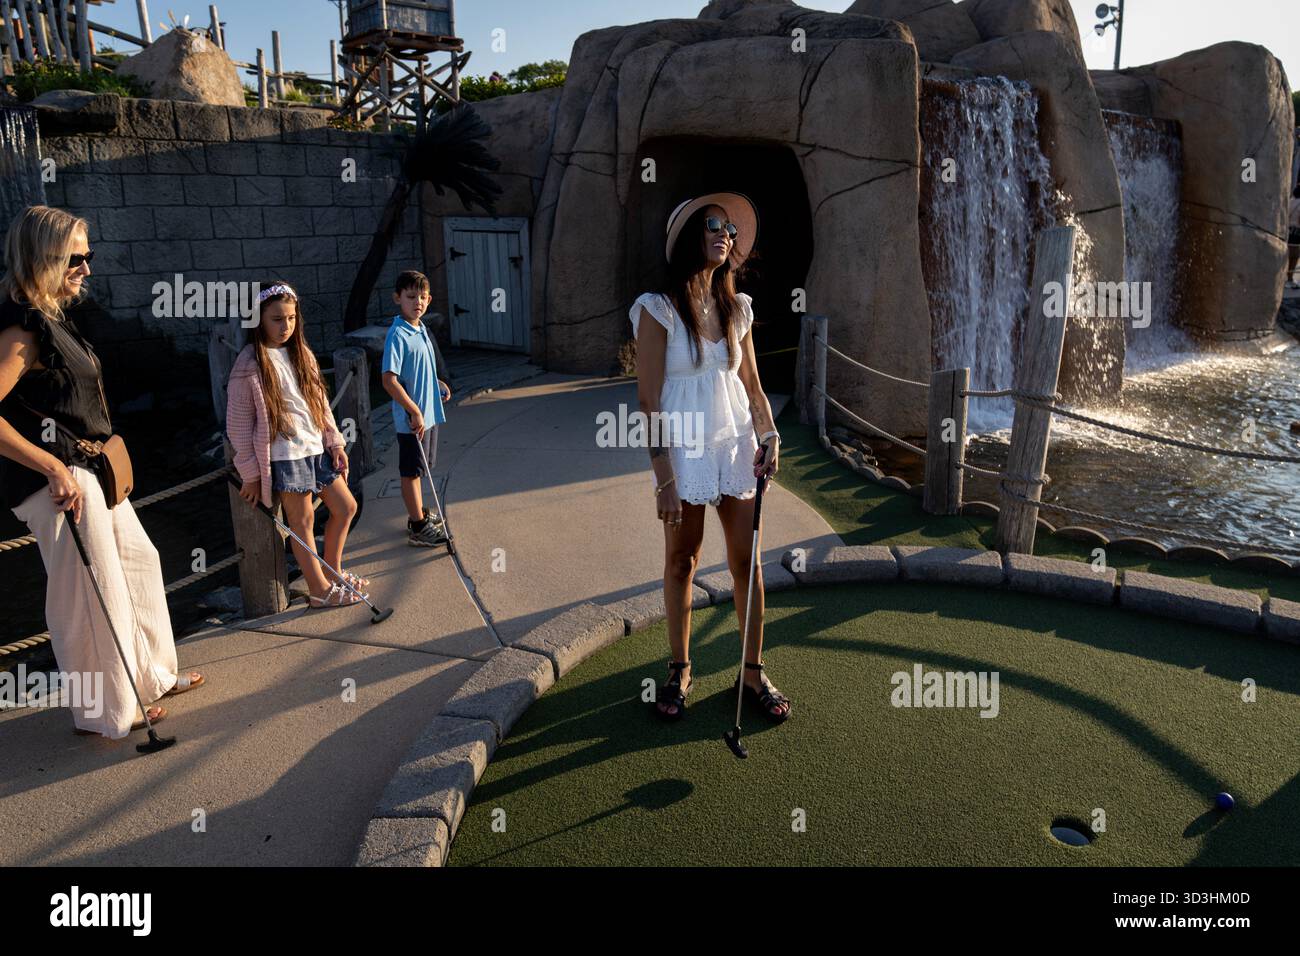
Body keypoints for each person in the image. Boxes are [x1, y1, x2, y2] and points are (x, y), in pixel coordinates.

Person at [0, 205, 202, 738]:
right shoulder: (22, 326)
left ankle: (150, 678)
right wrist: (50, 466)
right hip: (58, 481)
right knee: (92, 593)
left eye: (88, 256)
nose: (86, 268)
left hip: (90, 469)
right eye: (75, 258)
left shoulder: (51, 316)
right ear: (42, 257)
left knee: (139, 564)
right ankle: (106, 711)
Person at [630, 193, 789, 723]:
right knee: (683, 560)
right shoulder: (657, 309)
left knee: (747, 561)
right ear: (687, 237)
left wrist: (769, 435)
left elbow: (753, 386)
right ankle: (680, 668)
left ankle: (752, 672)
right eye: (713, 224)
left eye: (730, 229)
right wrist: (663, 479)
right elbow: (649, 400)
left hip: (735, 444)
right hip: (685, 451)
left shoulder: (737, 307)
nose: (725, 234)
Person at [227, 281, 364, 607]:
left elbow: (320, 404)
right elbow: (239, 425)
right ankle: (318, 590)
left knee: (346, 507)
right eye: (276, 319)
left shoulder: (301, 353)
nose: (285, 326)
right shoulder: (249, 363)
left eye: (290, 318)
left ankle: (332, 571)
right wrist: (250, 473)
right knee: (302, 523)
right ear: (258, 319)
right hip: (285, 454)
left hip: (315, 449)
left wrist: (335, 443)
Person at [381, 270, 452, 547]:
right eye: (411, 297)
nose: (417, 302)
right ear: (397, 298)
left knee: (422, 469)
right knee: (410, 472)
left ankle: (418, 513)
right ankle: (418, 526)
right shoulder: (397, 334)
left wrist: (437, 383)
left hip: (428, 415)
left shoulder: (420, 328)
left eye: (422, 297)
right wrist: (414, 410)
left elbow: (420, 368)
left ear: (429, 299)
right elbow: (389, 380)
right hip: (412, 419)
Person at [1287, 184, 1300, 290]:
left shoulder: (1290, 201)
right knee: (1295, 256)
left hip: (1288, 231)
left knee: (1288, 255)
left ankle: (1287, 276)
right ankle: (1290, 278)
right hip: (1297, 232)